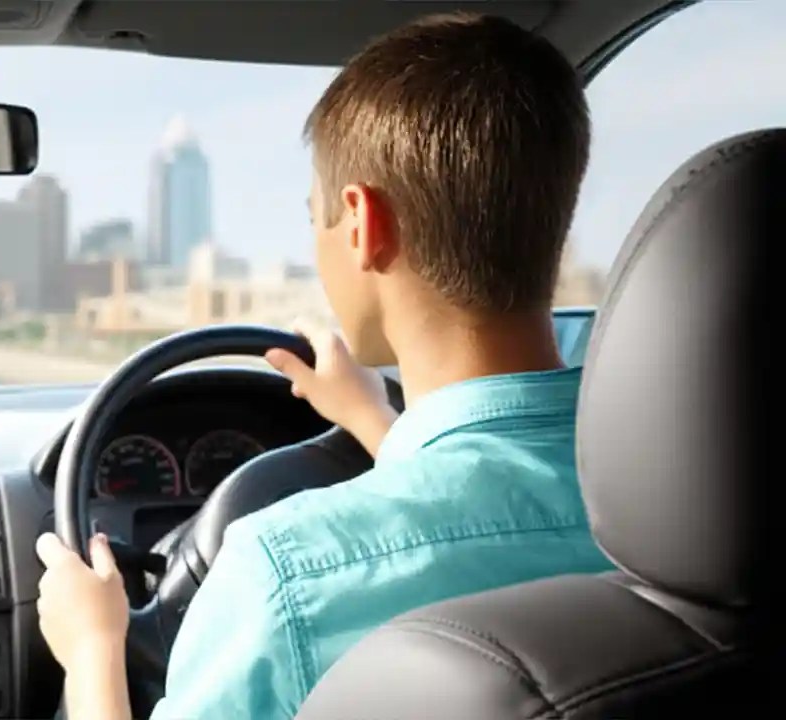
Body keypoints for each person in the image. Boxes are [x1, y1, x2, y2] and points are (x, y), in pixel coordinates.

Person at [34, 11, 615, 720]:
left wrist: (92, 648)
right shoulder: (687, 506)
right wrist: (373, 420)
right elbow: (497, 506)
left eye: (317, 218)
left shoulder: (287, 575)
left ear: (363, 224)